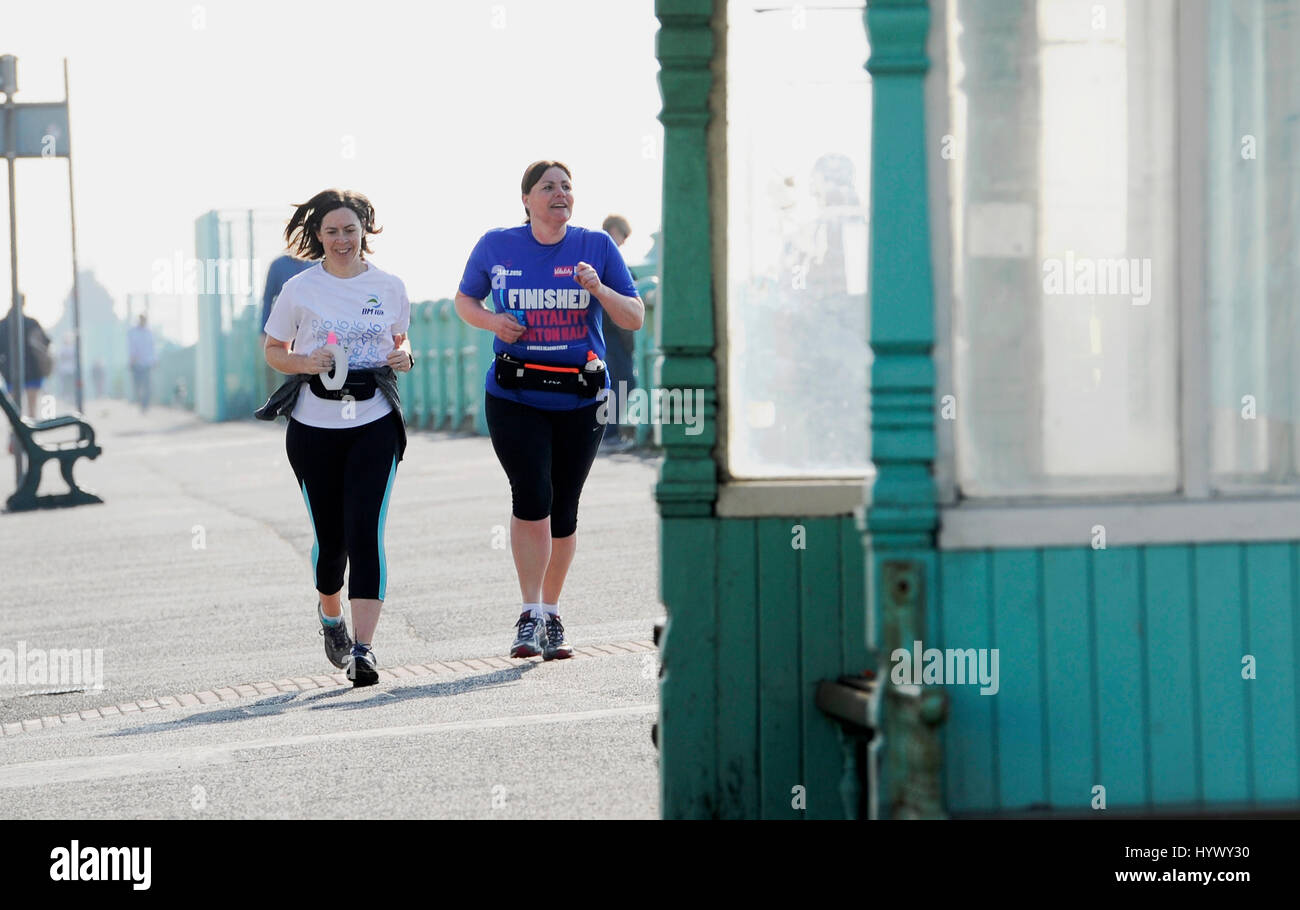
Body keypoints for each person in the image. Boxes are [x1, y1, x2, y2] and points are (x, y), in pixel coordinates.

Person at [455, 161, 644, 660]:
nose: (559, 194)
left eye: (566, 187)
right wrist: (494, 321)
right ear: (527, 200)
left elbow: (635, 316)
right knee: (531, 493)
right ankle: (529, 611)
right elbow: (463, 300)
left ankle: (553, 613)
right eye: (548, 187)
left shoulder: (596, 247)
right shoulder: (497, 245)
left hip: (580, 399)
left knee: (564, 507)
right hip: (515, 394)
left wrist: (598, 289)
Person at [258, 188, 413, 688]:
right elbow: (273, 349)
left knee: (366, 532)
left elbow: (399, 338)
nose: (342, 240)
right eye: (332, 232)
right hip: (314, 428)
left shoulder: (389, 286)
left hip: (373, 420)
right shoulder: (300, 288)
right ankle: (330, 616)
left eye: (350, 230)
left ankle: (364, 651)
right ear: (318, 237)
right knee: (332, 544)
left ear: (364, 230)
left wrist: (404, 355)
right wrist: (304, 362)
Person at [599, 214, 638, 452]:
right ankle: (609, 433)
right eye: (622, 235)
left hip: (607, 332)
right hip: (610, 333)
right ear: (614, 231)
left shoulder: (602, 260)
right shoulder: (607, 261)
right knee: (623, 381)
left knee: (616, 382)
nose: (622, 242)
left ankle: (608, 432)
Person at [0, 304, 52, 417]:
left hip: (10, 370)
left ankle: (16, 429)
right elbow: (46, 342)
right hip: (32, 369)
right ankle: (29, 428)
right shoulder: (32, 323)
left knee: (14, 408)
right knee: (31, 405)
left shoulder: (2, 324)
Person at [127, 314, 157, 413]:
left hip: (147, 363)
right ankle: (140, 402)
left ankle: (145, 405)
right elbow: (131, 347)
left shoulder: (149, 332)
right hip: (136, 363)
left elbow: (152, 348)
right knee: (138, 385)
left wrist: (154, 360)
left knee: (147, 386)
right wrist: (131, 361)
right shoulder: (133, 332)